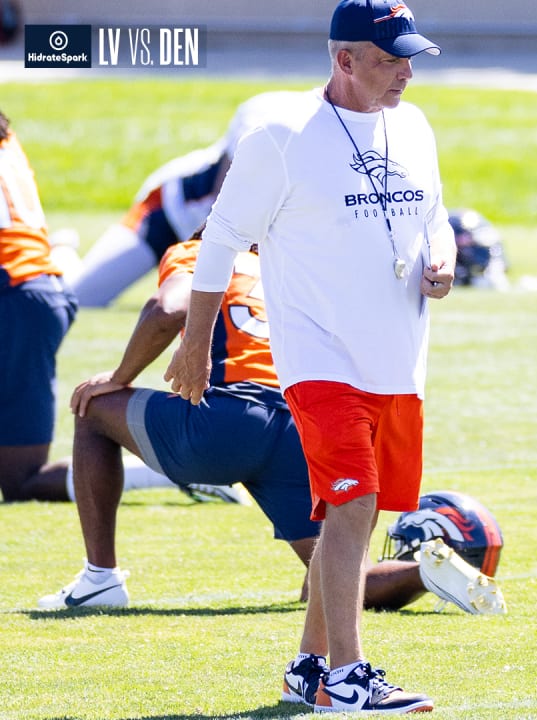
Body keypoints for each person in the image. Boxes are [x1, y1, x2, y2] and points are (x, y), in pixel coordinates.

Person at [166, 0, 457, 713]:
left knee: (345, 513)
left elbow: (434, 214)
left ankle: (308, 666)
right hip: (318, 356)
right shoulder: (280, 135)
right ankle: (348, 677)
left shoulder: (413, 126)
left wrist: (442, 259)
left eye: (409, 58)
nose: (404, 74)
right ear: (343, 59)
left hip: (397, 357)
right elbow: (221, 240)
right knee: (354, 501)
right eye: (389, 60)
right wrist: (195, 346)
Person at [37, 233, 495, 626]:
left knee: (91, 406)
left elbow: (166, 308)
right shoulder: (286, 263)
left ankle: (100, 578)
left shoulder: (199, 251)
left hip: (227, 420)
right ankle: (424, 573)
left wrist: (119, 377)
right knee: (327, 578)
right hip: (301, 426)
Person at [68, 91, 294, 308]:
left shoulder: (323, 127)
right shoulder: (266, 111)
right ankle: (63, 252)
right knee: (79, 297)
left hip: (221, 232)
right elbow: (229, 190)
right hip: (168, 212)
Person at [0, 109, 80, 502]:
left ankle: (176, 471)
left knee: (22, 479)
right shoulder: (8, 138)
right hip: (37, 292)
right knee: (19, 479)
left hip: (17, 298)